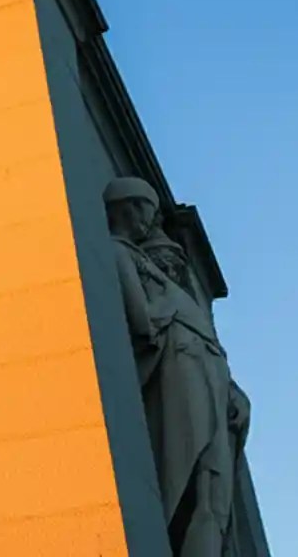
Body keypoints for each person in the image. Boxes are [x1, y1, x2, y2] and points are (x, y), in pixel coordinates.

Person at [105, 176, 248, 556]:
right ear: (131, 209)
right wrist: (165, 315)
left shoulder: (162, 277)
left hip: (208, 371)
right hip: (182, 365)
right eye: (145, 215)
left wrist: (232, 388)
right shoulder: (122, 253)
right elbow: (143, 321)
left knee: (215, 494)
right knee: (196, 478)